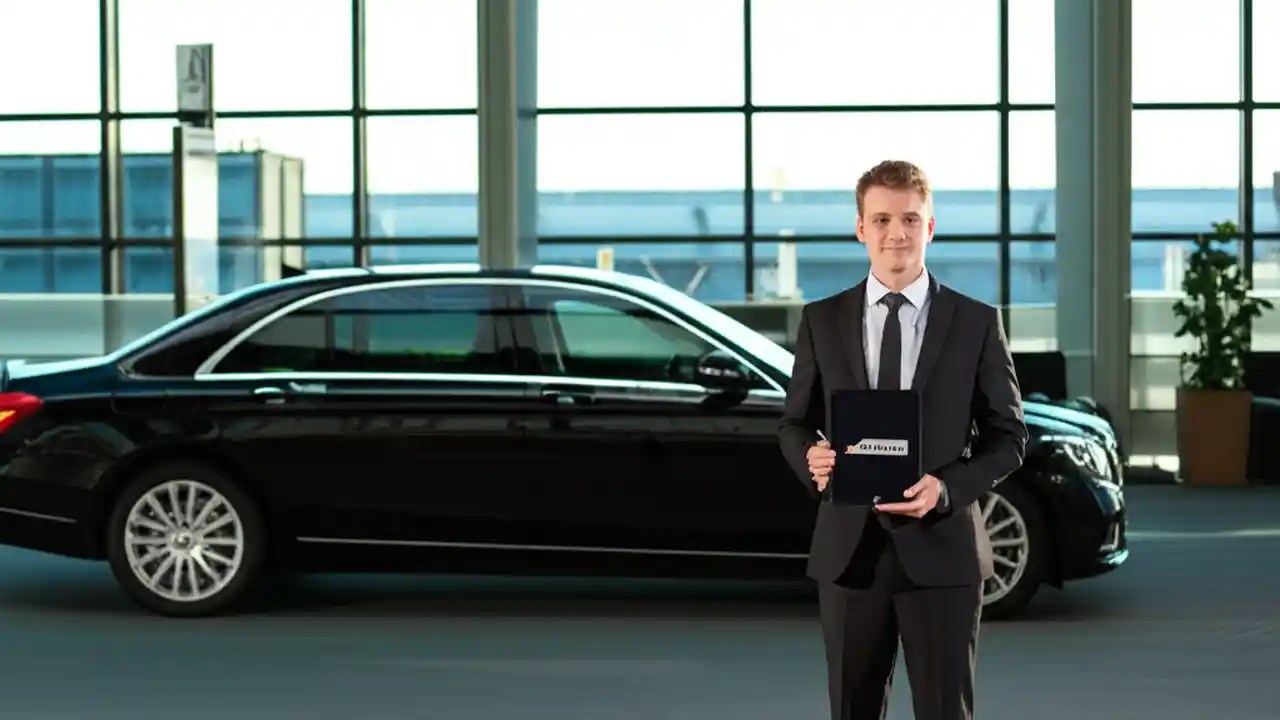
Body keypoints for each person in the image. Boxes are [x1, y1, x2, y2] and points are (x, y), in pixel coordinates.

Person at [778, 160, 1028, 720]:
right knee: (853, 710)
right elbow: (793, 423)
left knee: (945, 711)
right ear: (861, 228)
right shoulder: (822, 319)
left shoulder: (976, 322)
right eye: (883, 219)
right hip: (850, 553)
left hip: (942, 552)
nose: (897, 233)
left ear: (931, 227)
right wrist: (810, 459)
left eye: (910, 219)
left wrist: (945, 488)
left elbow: (1009, 435)